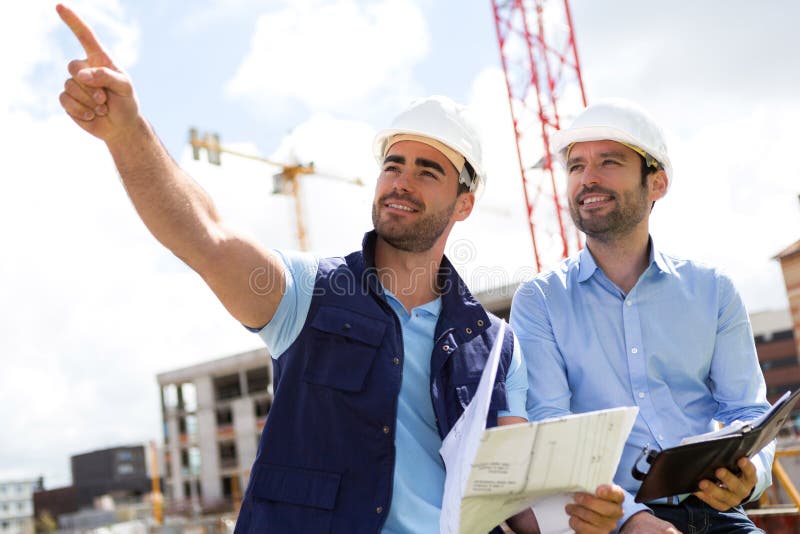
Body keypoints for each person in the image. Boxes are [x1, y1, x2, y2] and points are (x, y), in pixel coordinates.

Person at [56, 4, 627, 533]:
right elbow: (206, 237)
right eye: (393, 164)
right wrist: (127, 133)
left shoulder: (499, 347)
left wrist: (587, 518)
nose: (401, 181)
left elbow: (515, 503)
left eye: (428, 171)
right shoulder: (308, 294)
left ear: (464, 202)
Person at [510, 98, 775, 533]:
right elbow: (549, 431)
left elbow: (746, 409)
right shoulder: (540, 301)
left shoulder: (714, 291)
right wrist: (632, 522)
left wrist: (750, 477)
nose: (587, 179)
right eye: (576, 166)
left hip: (720, 514)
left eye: (608, 162)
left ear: (657, 183)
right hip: (612, 521)